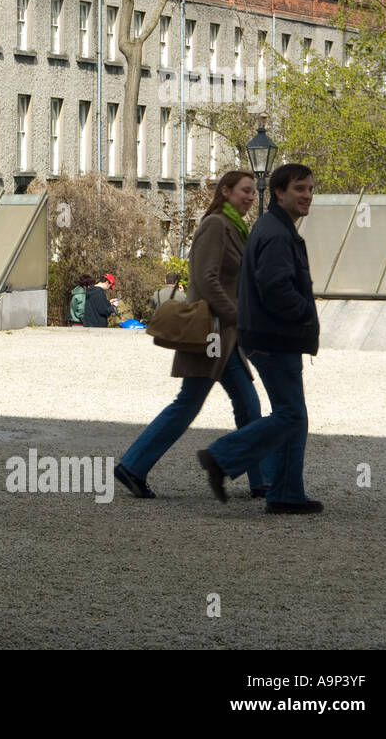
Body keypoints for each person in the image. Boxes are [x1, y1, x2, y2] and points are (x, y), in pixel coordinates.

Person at [114, 170, 268, 499]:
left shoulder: (235, 227)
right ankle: (132, 465)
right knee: (190, 403)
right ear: (225, 191)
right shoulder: (216, 225)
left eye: (253, 192)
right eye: (245, 191)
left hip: (223, 336)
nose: (251, 197)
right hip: (211, 334)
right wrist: (236, 316)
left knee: (248, 406)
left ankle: (262, 480)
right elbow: (205, 279)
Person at [198, 163, 323, 515]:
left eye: (310, 189)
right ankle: (221, 456)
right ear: (280, 193)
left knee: (291, 414)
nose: (307, 195)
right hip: (274, 337)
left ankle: (285, 493)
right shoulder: (277, 233)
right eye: (300, 188)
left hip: (270, 335)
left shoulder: (274, 228)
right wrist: (305, 314)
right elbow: (275, 287)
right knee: (291, 415)